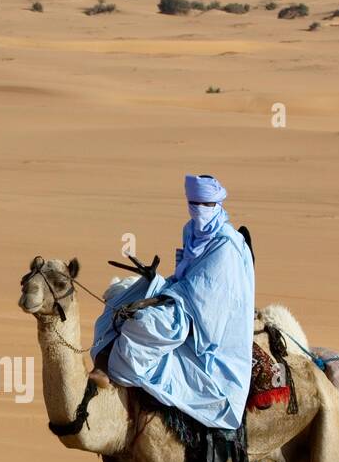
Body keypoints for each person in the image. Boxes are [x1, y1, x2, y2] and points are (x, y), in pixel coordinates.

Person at [88, 173, 254, 432]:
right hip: (183, 295)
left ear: (218, 204)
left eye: (206, 205)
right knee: (119, 303)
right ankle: (103, 363)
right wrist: (157, 284)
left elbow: (210, 295)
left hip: (204, 315)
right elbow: (186, 275)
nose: (199, 210)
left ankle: (124, 371)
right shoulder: (191, 231)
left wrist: (169, 295)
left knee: (144, 324)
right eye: (194, 204)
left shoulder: (227, 244)